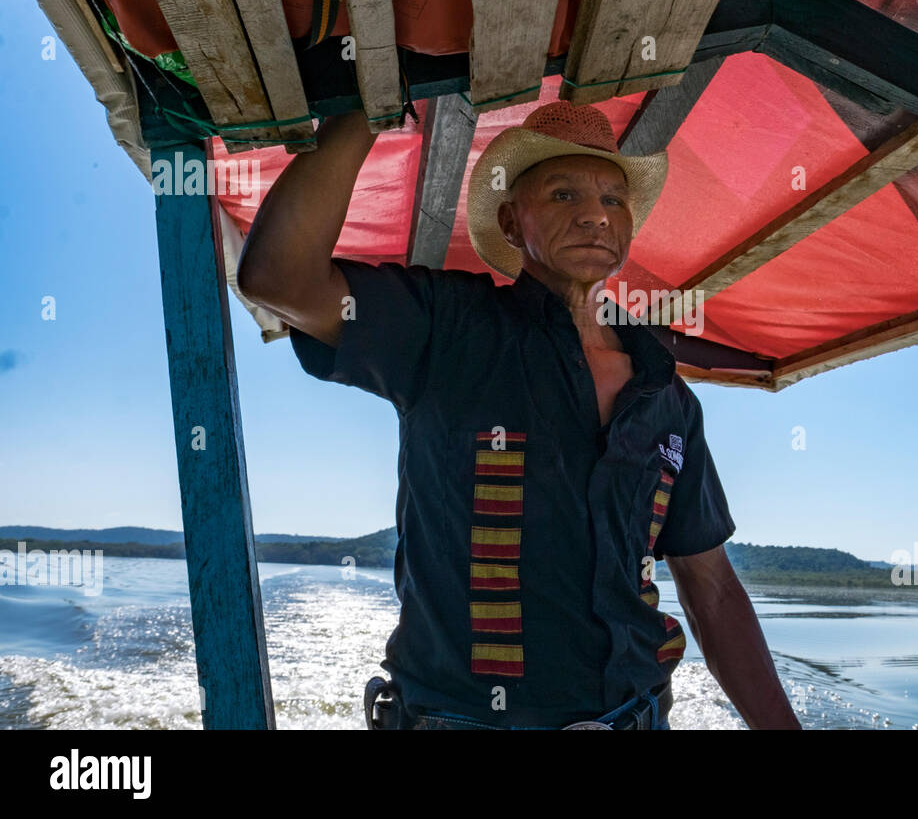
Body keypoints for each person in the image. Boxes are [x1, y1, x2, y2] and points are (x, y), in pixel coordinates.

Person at [236, 99, 800, 730]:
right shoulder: (448, 330)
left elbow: (713, 587)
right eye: (562, 194)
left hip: (639, 715)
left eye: (614, 200)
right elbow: (277, 278)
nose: (595, 214)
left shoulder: (667, 397)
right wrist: (364, 107)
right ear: (510, 223)